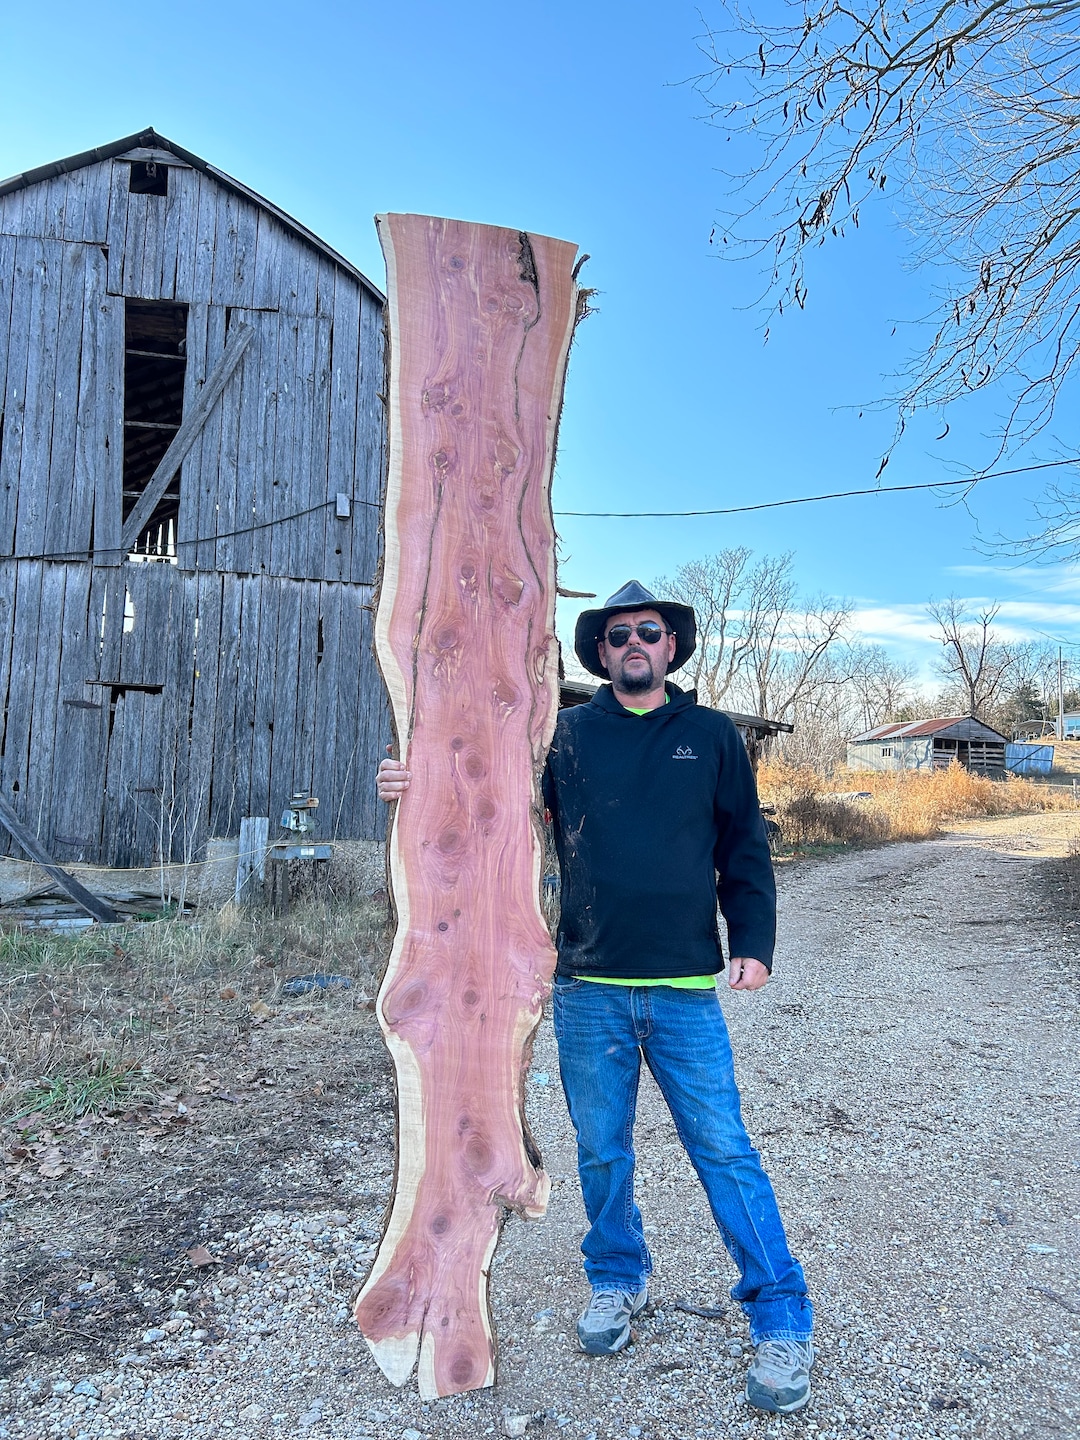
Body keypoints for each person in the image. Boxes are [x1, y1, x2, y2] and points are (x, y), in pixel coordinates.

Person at [376, 580, 814, 1415]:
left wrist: (751, 942)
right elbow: (485, 801)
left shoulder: (712, 736)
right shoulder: (567, 738)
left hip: (685, 986)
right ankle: (618, 1280)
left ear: (672, 647)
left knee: (724, 1150)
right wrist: (415, 779)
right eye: (618, 637)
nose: (634, 645)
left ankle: (782, 1316)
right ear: (602, 654)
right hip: (587, 987)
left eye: (649, 632)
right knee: (602, 1152)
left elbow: (744, 848)